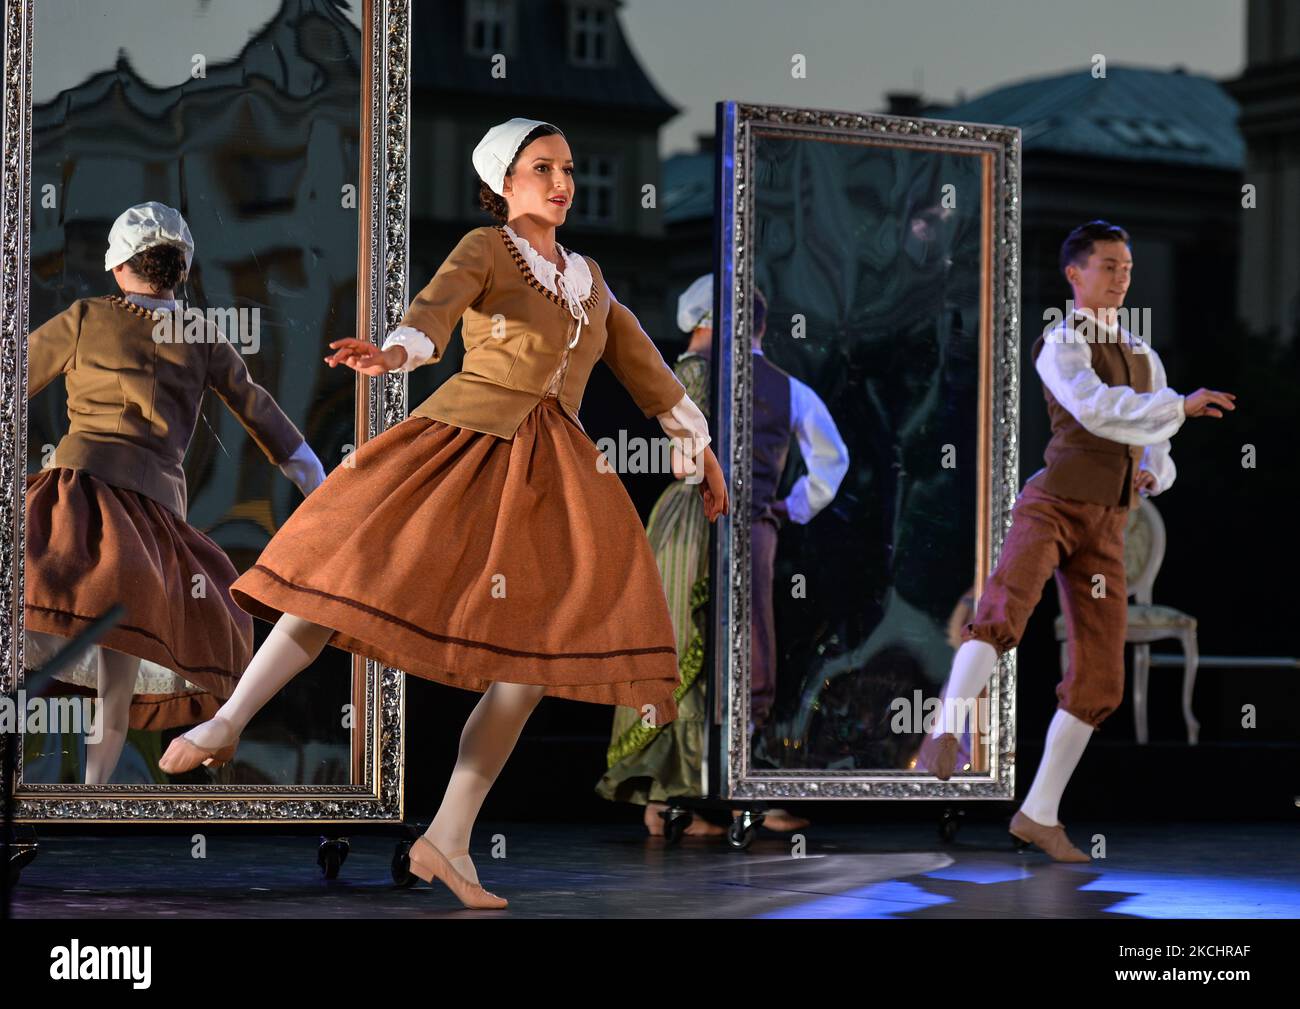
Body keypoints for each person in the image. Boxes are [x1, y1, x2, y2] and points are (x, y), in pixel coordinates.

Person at [157, 119, 730, 908]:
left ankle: (450, 836)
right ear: (503, 181)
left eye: (567, 168)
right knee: (342, 569)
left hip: (554, 475)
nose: (561, 182)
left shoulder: (591, 280)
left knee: (529, 665)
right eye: (542, 168)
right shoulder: (487, 248)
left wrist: (696, 444)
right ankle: (229, 718)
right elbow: (434, 310)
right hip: (465, 439)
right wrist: (394, 353)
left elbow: (648, 370)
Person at [916, 220, 1236, 861]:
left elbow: (1155, 443)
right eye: (1108, 266)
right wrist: (1176, 406)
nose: (1121, 277)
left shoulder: (1145, 355)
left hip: (1107, 522)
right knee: (1004, 612)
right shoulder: (1062, 342)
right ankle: (945, 732)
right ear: (1075, 275)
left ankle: (1038, 814)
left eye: (1127, 268)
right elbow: (1095, 408)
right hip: (1054, 503)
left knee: (1100, 681)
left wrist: (1154, 467)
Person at [25, 201, 325, 785]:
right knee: (119, 658)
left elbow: (12, 376)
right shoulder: (203, 335)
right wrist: (316, 481)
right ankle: (92, 795)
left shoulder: (86, 316)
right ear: (182, 270)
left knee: (28, 605)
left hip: (76, 497)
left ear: (118, 268)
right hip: (152, 523)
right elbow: (259, 410)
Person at [597, 275, 847, 836]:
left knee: (692, 641)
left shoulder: (691, 371)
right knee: (735, 649)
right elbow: (832, 462)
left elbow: (684, 461)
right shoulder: (788, 388)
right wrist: (786, 507)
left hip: (693, 517)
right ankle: (723, 796)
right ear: (757, 325)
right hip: (742, 523)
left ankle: (679, 799)